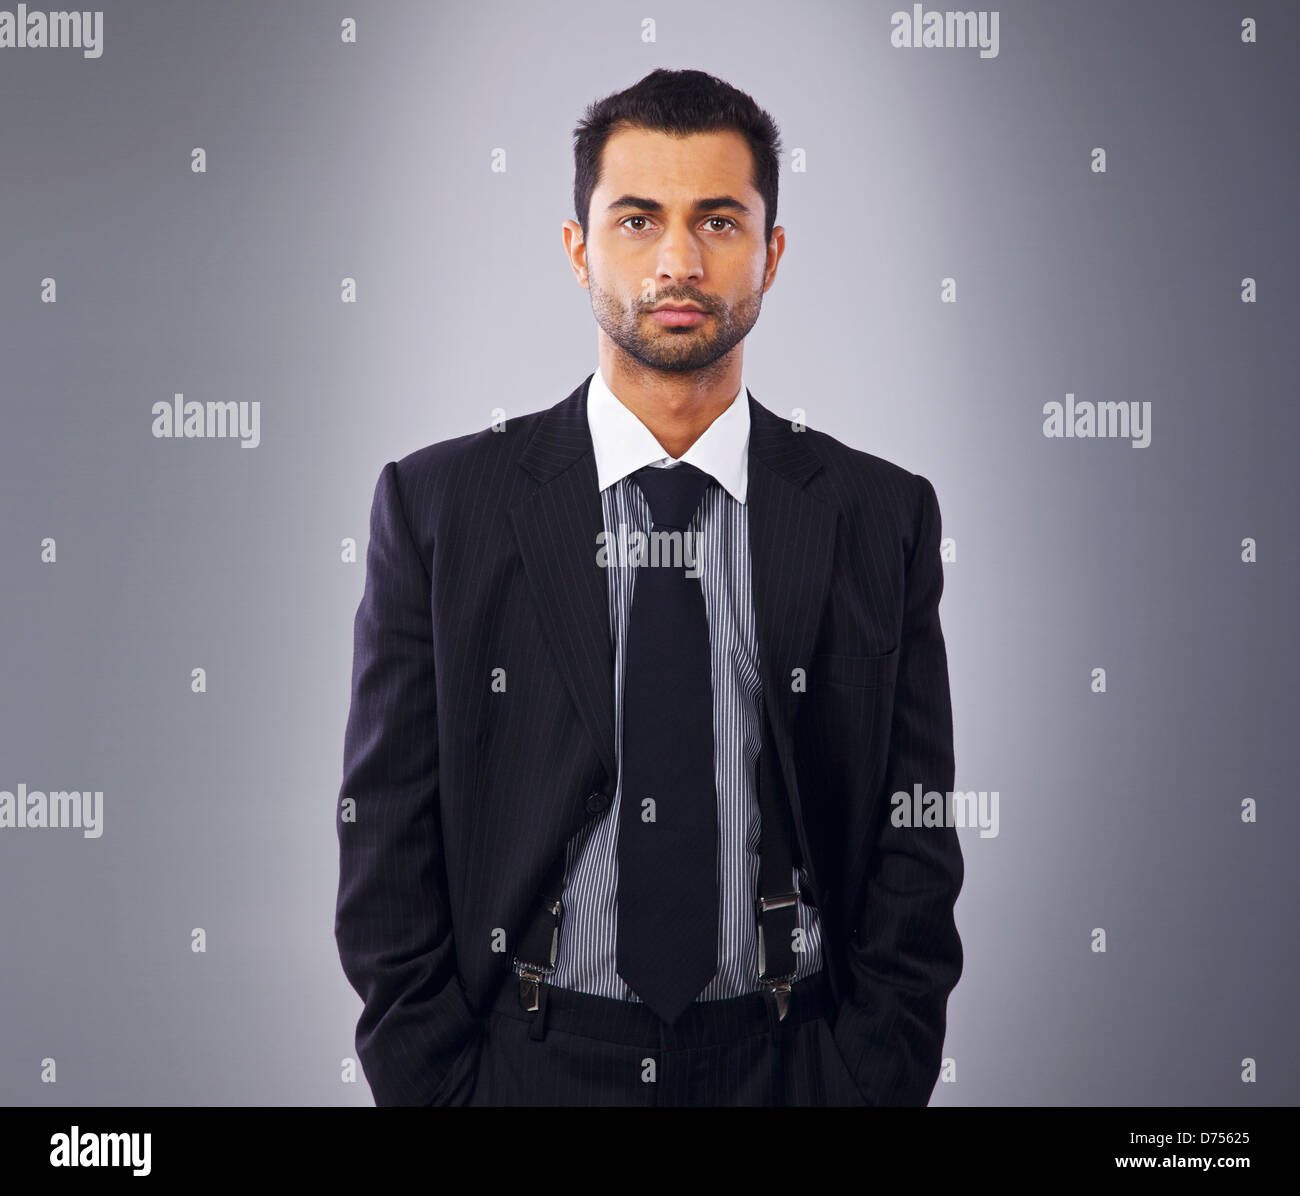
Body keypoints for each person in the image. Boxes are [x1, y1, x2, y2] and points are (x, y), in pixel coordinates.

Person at [334, 67, 963, 1107]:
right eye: (637, 220)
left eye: (719, 221)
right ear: (579, 249)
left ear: (772, 253)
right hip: (528, 1063)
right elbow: (385, 830)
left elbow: (913, 832)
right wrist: (442, 1087)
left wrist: (865, 1074)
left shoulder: (876, 516)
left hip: (790, 1061)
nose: (677, 261)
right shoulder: (441, 505)